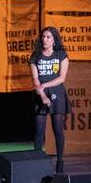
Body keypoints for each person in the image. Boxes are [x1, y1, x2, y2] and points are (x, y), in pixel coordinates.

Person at [29, 26, 70, 173]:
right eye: (43, 37)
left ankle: (60, 163)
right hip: (40, 94)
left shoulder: (61, 55)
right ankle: (37, 162)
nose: (44, 40)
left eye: (48, 37)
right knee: (39, 131)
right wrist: (43, 95)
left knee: (58, 130)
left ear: (54, 40)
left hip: (57, 93)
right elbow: (35, 80)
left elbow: (62, 78)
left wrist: (46, 86)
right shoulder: (36, 56)